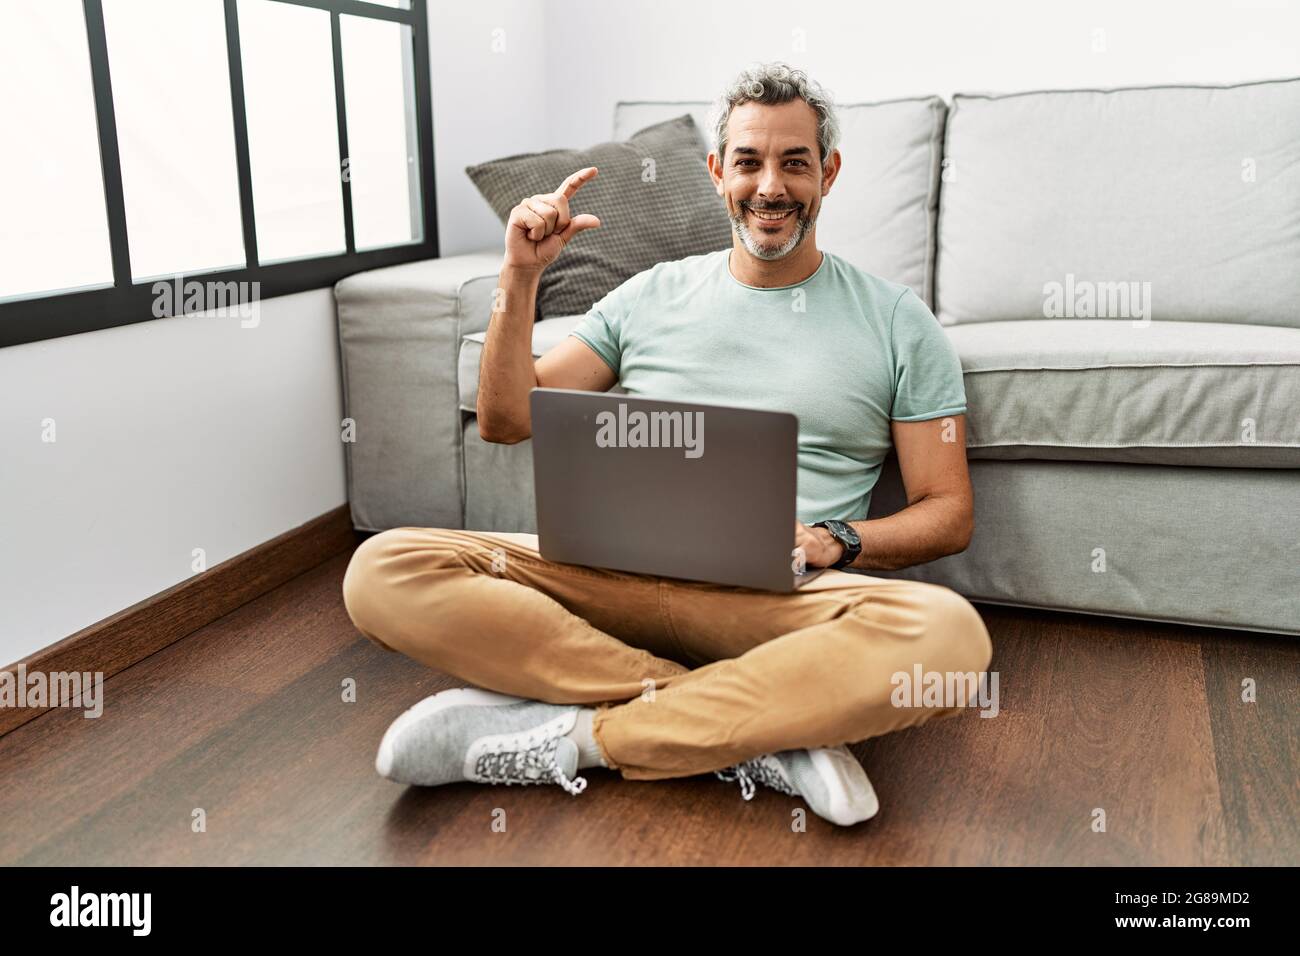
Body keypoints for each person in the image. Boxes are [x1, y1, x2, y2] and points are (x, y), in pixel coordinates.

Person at [342, 62, 992, 827]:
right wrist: (518, 278)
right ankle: (755, 726)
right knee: (383, 567)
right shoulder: (649, 294)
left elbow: (947, 512)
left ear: (830, 173)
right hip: (608, 579)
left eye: (795, 162)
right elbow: (508, 419)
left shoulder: (896, 320)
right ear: (718, 172)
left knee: (950, 642)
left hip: (776, 599)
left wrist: (833, 540)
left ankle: (586, 737)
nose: (771, 187)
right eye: (749, 162)